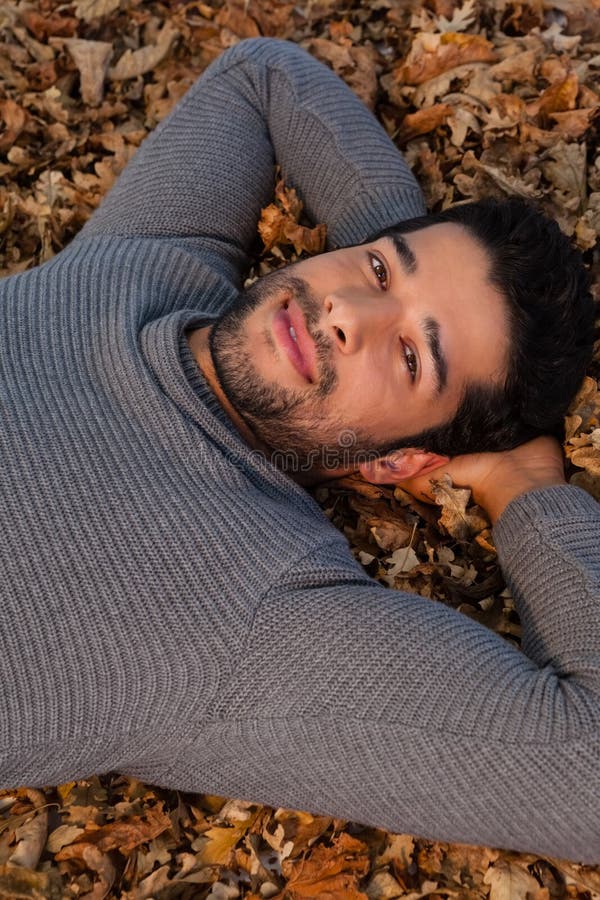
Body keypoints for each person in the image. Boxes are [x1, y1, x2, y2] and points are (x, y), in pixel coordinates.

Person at [0, 37, 598, 863]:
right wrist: (393, 244)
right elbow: (263, 73)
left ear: (397, 462)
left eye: (413, 356)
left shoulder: (261, 616)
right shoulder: (148, 260)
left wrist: (528, 485)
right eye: (382, 270)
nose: (348, 311)